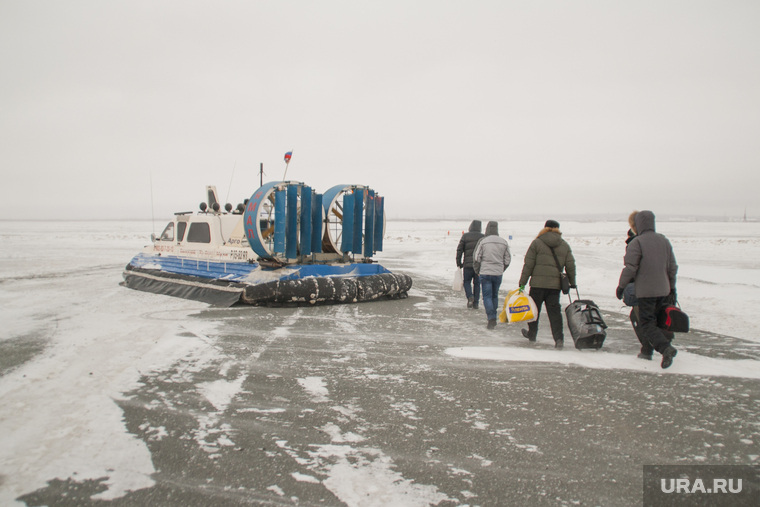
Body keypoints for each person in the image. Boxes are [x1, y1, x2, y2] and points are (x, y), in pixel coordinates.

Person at [616, 210, 678, 369]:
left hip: (646, 291)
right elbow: (672, 268)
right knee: (657, 321)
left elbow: (630, 268)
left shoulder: (637, 242)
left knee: (647, 323)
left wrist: (621, 286)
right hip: (663, 290)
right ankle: (648, 350)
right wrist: (672, 288)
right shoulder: (664, 241)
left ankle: (665, 349)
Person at [518, 220, 576, 349]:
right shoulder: (564, 245)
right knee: (555, 313)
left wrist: (522, 283)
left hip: (537, 285)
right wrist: (572, 282)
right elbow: (571, 265)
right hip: (554, 286)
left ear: (545, 228)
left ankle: (532, 334)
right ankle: (559, 339)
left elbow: (528, 264)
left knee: (534, 311)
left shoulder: (537, 243)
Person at [472, 221, 511, 329]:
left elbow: (476, 257)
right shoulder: (503, 242)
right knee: (494, 295)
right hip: (497, 273)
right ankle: (493, 315)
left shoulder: (483, 241)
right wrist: (501, 269)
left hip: (485, 272)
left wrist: (478, 269)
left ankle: (491, 318)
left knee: (487, 297)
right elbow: (507, 259)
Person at [456, 220, 485, 309]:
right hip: (479, 266)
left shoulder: (465, 236)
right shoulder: (483, 237)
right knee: (477, 283)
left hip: (467, 265)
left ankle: (470, 297)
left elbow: (459, 250)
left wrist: (459, 262)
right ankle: (476, 303)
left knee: (467, 282)